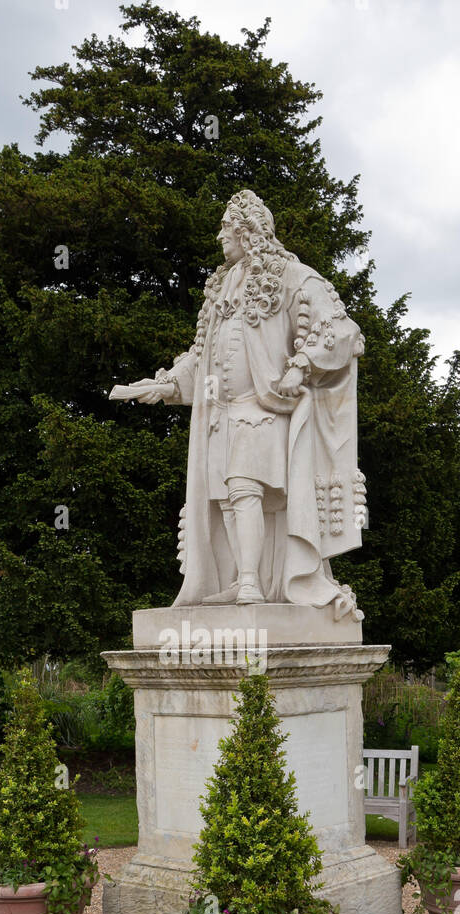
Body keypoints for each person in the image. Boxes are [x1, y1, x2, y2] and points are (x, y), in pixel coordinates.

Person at [111, 189, 367, 617]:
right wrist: (166, 385)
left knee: (243, 488)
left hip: (262, 409)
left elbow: (342, 329)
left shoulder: (291, 275)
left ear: (245, 232)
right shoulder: (223, 285)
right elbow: (203, 355)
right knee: (227, 498)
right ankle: (239, 581)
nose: (219, 236)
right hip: (221, 416)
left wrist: (301, 364)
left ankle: (251, 583)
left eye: (225, 228)